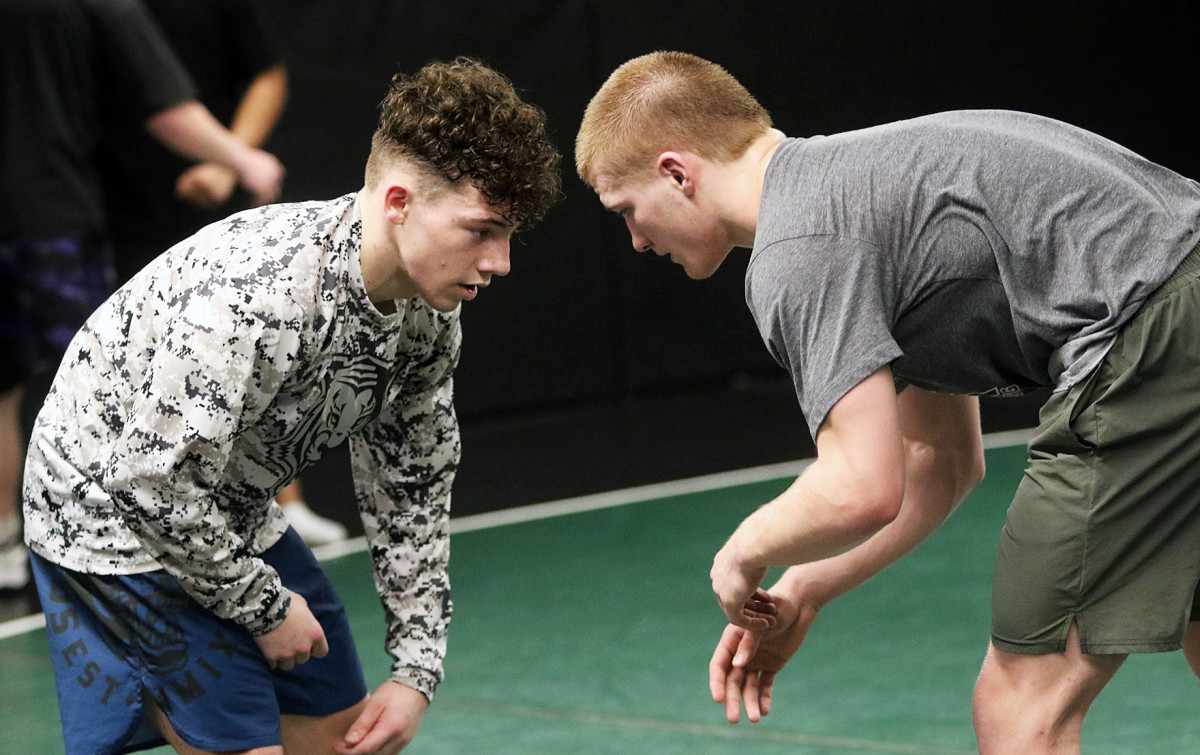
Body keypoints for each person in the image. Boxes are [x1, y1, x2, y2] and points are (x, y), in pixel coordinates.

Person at [575, 50, 1200, 752]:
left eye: (626, 211)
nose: (635, 240)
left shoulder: (800, 246)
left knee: (1024, 703)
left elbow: (862, 489)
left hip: (1158, 341)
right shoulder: (864, 191)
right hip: (1179, 308)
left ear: (676, 172)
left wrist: (743, 550)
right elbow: (939, 457)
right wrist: (804, 587)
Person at [24, 56, 561, 755]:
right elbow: (149, 484)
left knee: (345, 740)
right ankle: (159, 690)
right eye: (481, 231)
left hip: (225, 506)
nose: (500, 262)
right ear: (399, 202)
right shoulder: (258, 294)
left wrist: (417, 669)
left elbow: (412, 485)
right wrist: (266, 607)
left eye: (509, 234)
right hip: (106, 511)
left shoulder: (429, 315)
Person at [0, 0, 284, 592]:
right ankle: (95, 549)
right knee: (87, 392)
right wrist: (243, 160)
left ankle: (9, 541)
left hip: (45, 214)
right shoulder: (102, 6)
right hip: (50, 220)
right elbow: (165, 105)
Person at [99, 0, 346, 546]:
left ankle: (282, 504)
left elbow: (267, 74)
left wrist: (228, 160)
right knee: (136, 366)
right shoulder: (99, 11)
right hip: (119, 215)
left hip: (222, 210)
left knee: (258, 354)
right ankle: (147, 519)